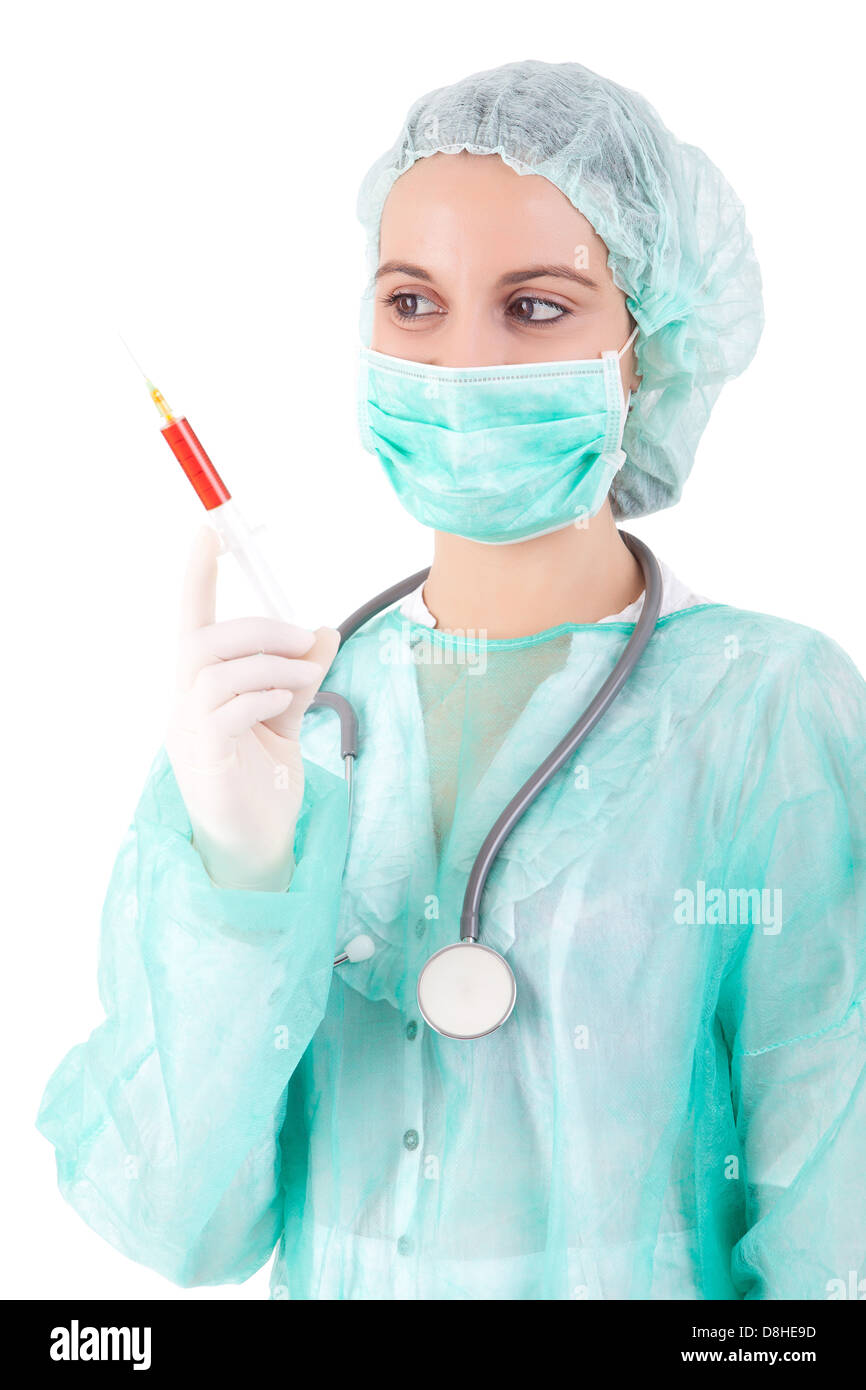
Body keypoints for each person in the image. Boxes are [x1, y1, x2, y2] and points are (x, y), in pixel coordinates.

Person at [37, 59, 866, 1301]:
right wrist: (240, 884)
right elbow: (180, 1227)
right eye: (412, 303)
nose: (461, 362)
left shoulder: (761, 709)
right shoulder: (289, 724)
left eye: (535, 307)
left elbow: (833, 1231)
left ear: (648, 348)